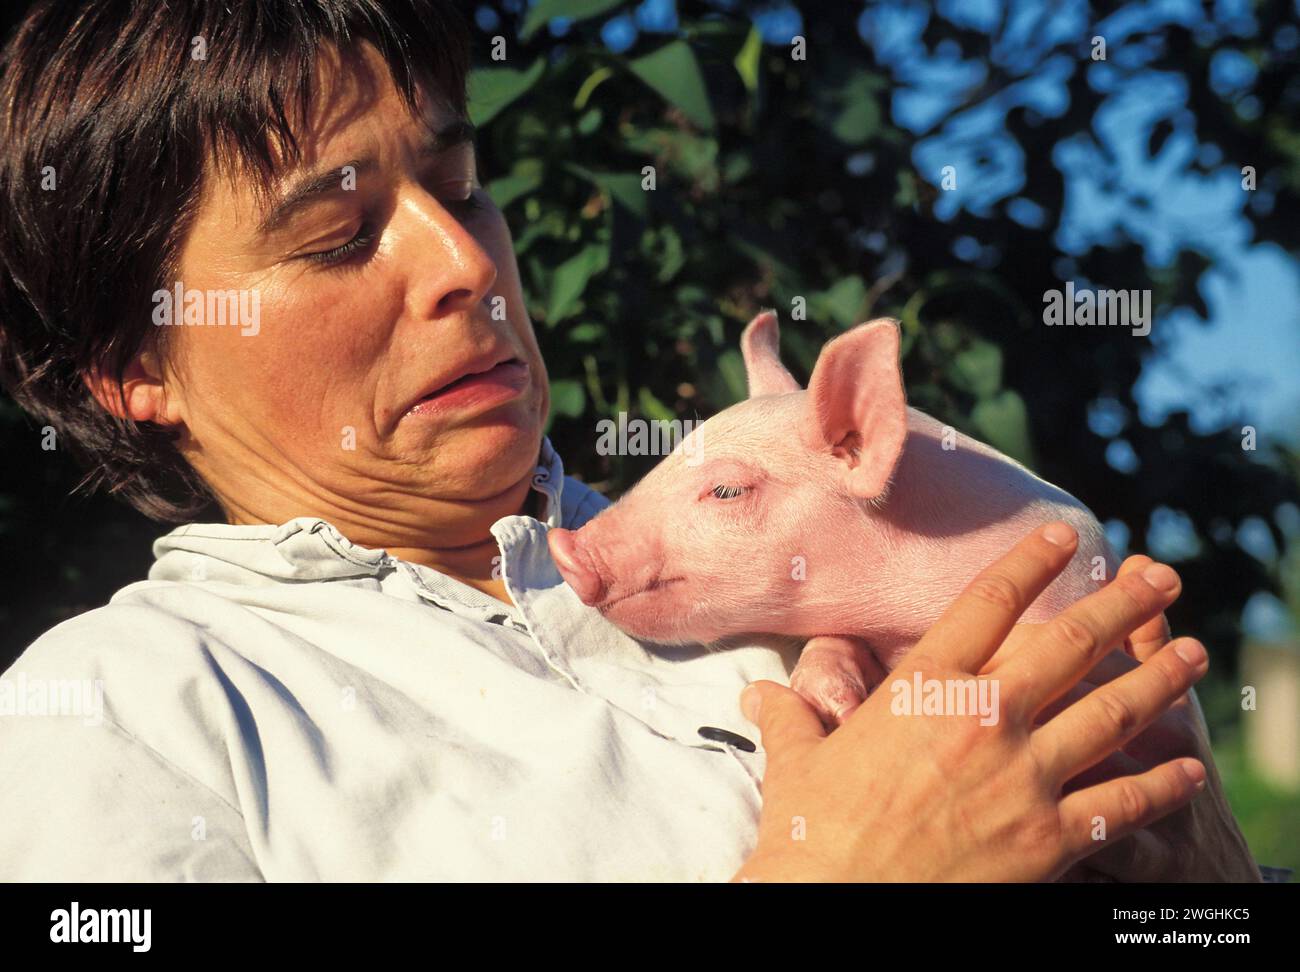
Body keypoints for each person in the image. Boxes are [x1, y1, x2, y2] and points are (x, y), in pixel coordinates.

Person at [0, 0, 1259, 881]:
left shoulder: (790, 563)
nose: (465, 266)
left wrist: (1192, 867)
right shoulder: (120, 716)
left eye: (462, 185)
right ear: (132, 364)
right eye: (337, 237)